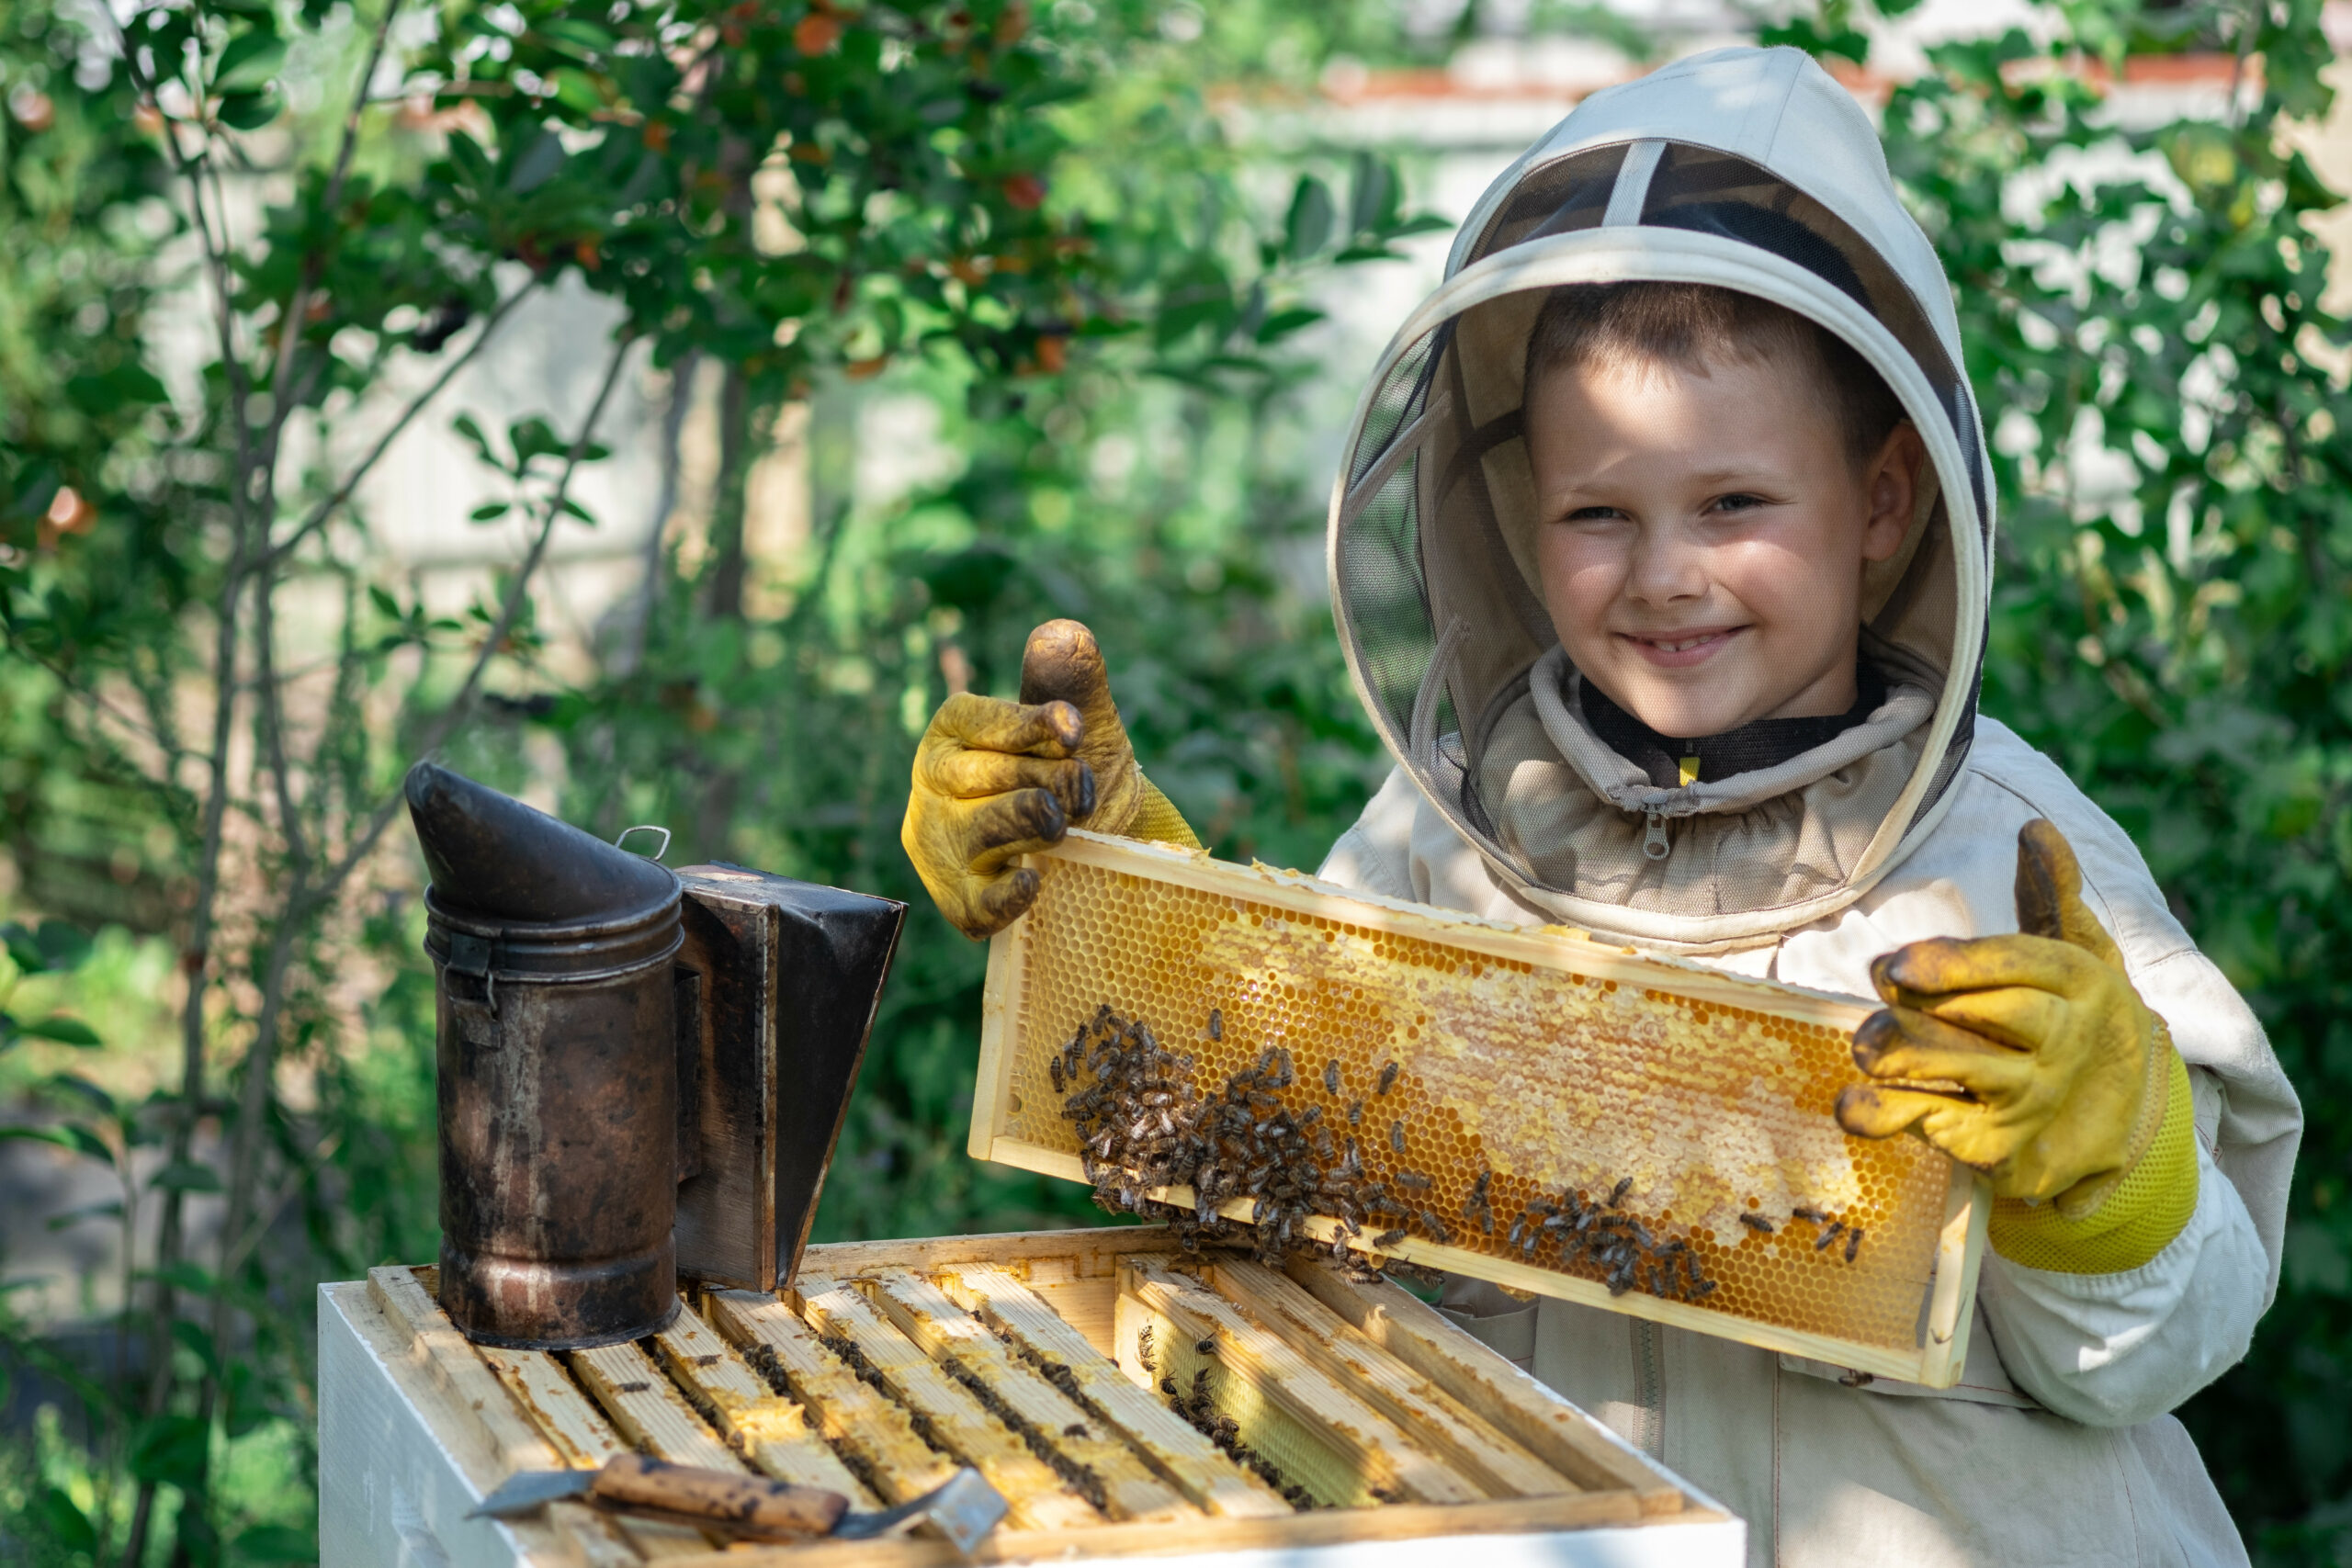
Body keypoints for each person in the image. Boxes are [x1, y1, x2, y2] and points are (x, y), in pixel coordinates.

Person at [899, 46, 2300, 1567]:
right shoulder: (1448, 842)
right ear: (1514, 512)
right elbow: (1273, 1200)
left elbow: (2170, 1352)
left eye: (1734, 505)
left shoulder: (2006, 866)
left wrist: (2108, 1166)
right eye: (1598, 515)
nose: (1664, 574)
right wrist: (1135, 920)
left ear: (1886, 502)